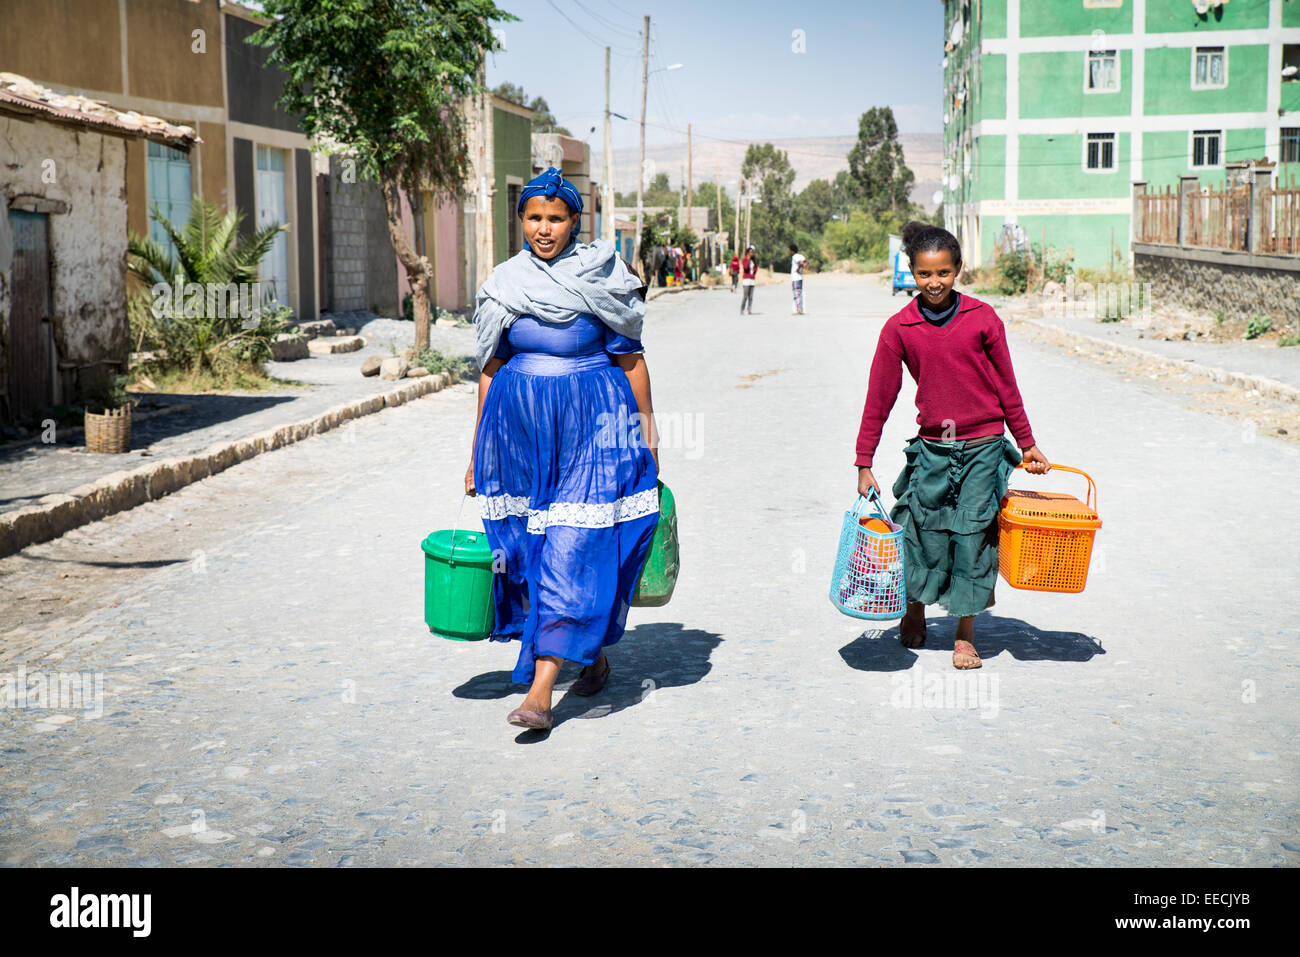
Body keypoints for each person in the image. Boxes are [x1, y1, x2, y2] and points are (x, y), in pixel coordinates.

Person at [467, 167, 660, 731]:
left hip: (594, 432)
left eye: (556, 218)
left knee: (574, 547)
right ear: (520, 220)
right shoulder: (504, 282)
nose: (544, 228)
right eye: (533, 217)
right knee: (526, 554)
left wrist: (646, 434)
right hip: (519, 435)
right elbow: (489, 368)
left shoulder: (606, 276)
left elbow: (632, 361)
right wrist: (479, 447)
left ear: (577, 221)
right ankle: (589, 651)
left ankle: (541, 691)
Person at [854, 221, 1050, 670]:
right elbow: (879, 396)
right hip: (931, 448)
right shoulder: (899, 327)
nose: (934, 282)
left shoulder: (982, 319)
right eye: (925, 274)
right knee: (921, 532)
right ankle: (915, 609)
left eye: (943, 272)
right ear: (911, 273)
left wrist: (1026, 442)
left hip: (983, 445)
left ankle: (964, 632)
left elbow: (1007, 386)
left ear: (958, 269)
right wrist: (864, 459)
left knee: (974, 536)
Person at [789, 243, 807, 315]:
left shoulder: (795, 257)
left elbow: (801, 263)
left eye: (790, 250)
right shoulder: (800, 255)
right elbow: (806, 262)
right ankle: (800, 309)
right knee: (799, 294)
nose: (789, 252)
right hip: (800, 278)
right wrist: (802, 268)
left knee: (796, 294)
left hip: (796, 278)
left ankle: (799, 310)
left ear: (792, 251)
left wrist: (799, 268)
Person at [739, 246, 757, 315]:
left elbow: (756, 268)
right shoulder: (745, 260)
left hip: (752, 279)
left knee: (751, 296)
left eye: (752, 252)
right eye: (750, 252)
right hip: (746, 280)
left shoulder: (753, 260)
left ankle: (749, 309)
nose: (752, 253)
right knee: (745, 296)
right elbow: (746, 268)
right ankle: (742, 309)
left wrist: (753, 273)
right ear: (748, 253)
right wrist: (748, 259)